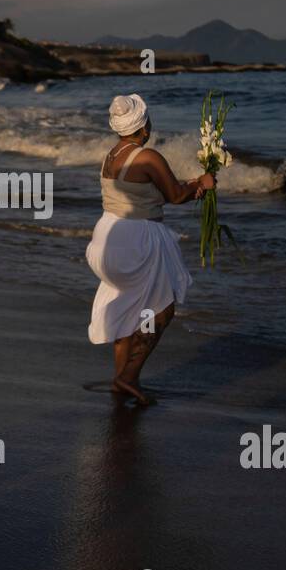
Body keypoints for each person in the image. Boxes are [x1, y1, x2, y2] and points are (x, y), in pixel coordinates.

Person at [86, 93, 214, 404]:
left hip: (106, 239)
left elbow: (147, 190)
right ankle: (129, 376)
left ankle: (123, 380)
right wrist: (204, 184)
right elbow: (174, 195)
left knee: (125, 307)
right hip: (137, 241)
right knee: (162, 310)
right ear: (144, 126)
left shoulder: (110, 156)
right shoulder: (148, 157)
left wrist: (192, 182)